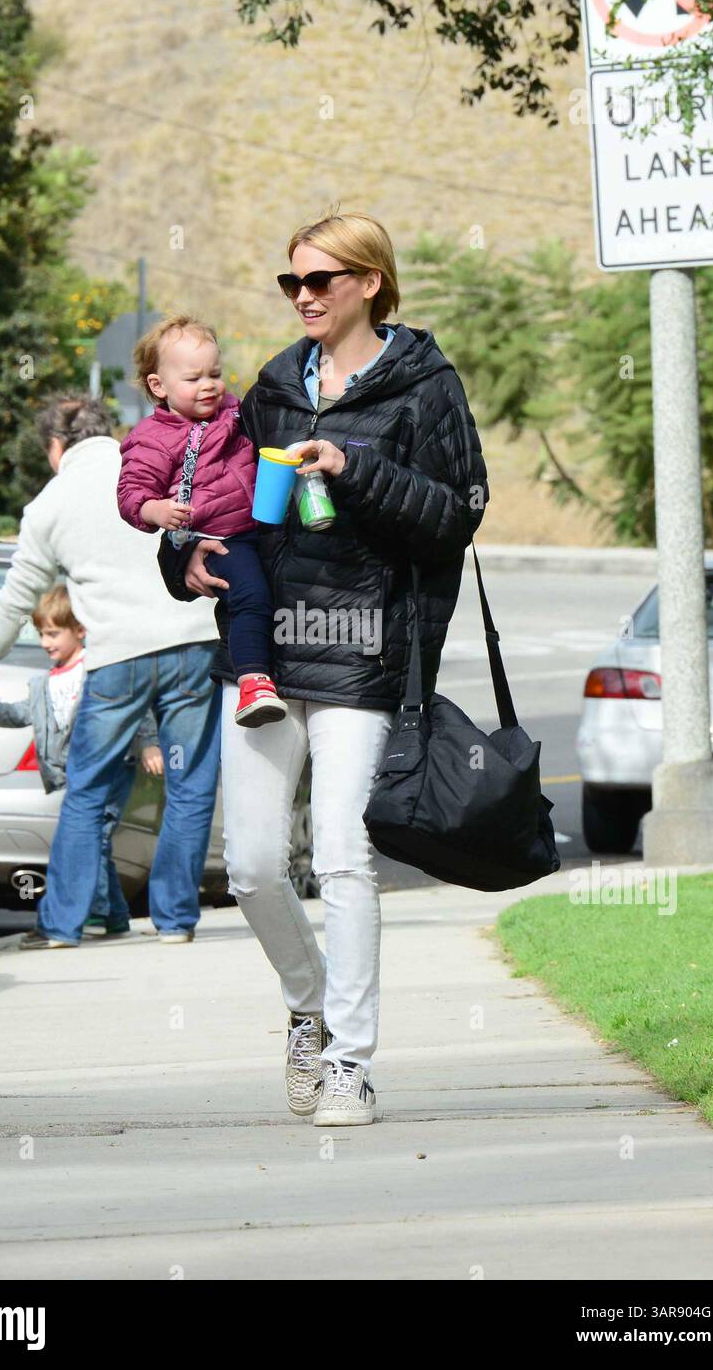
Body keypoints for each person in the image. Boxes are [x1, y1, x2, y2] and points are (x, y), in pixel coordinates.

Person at [181, 211, 489, 1125]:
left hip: (365, 650)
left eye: (320, 280)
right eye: (292, 282)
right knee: (251, 865)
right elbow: (223, 498)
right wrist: (182, 556)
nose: (304, 296)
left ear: (368, 282)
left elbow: (456, 511)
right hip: (265, 653)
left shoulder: (425, 385)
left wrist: (351, 464)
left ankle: (350, 1060)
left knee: (346, 860)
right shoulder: (272, 384)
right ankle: (306, 1004)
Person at [0, 394, 221, 949]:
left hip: (117, 659)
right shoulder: (158, 464)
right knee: (189, 784)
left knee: (86, 791)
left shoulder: (49, 505)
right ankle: (174, 921)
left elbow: (16, 596)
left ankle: (62, 926)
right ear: (110, 430)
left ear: (56, 448)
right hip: (192, 643)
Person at [117, 314, 285, 728]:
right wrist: (155, 510)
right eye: (193, 379)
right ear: (159, 386)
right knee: (250, 595)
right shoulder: (154, 437)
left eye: (215, 373)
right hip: (215, 537)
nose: (208, 385)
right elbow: (131, 492)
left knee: (271, 593)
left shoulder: (233, 413)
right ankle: (253, 681)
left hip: (258, 526)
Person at [0, 585, 162, 940]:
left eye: (54, 633)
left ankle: (98, 912)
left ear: (80, 631)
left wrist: (149, 744)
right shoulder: (43, 682)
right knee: (95, 838)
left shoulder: (97, 668)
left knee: (96, 836)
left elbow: (136, 706)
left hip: (114, 764)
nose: (45, 642)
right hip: (76, 773)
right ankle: (114, 914)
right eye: (41, 633)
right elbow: (23, 714)